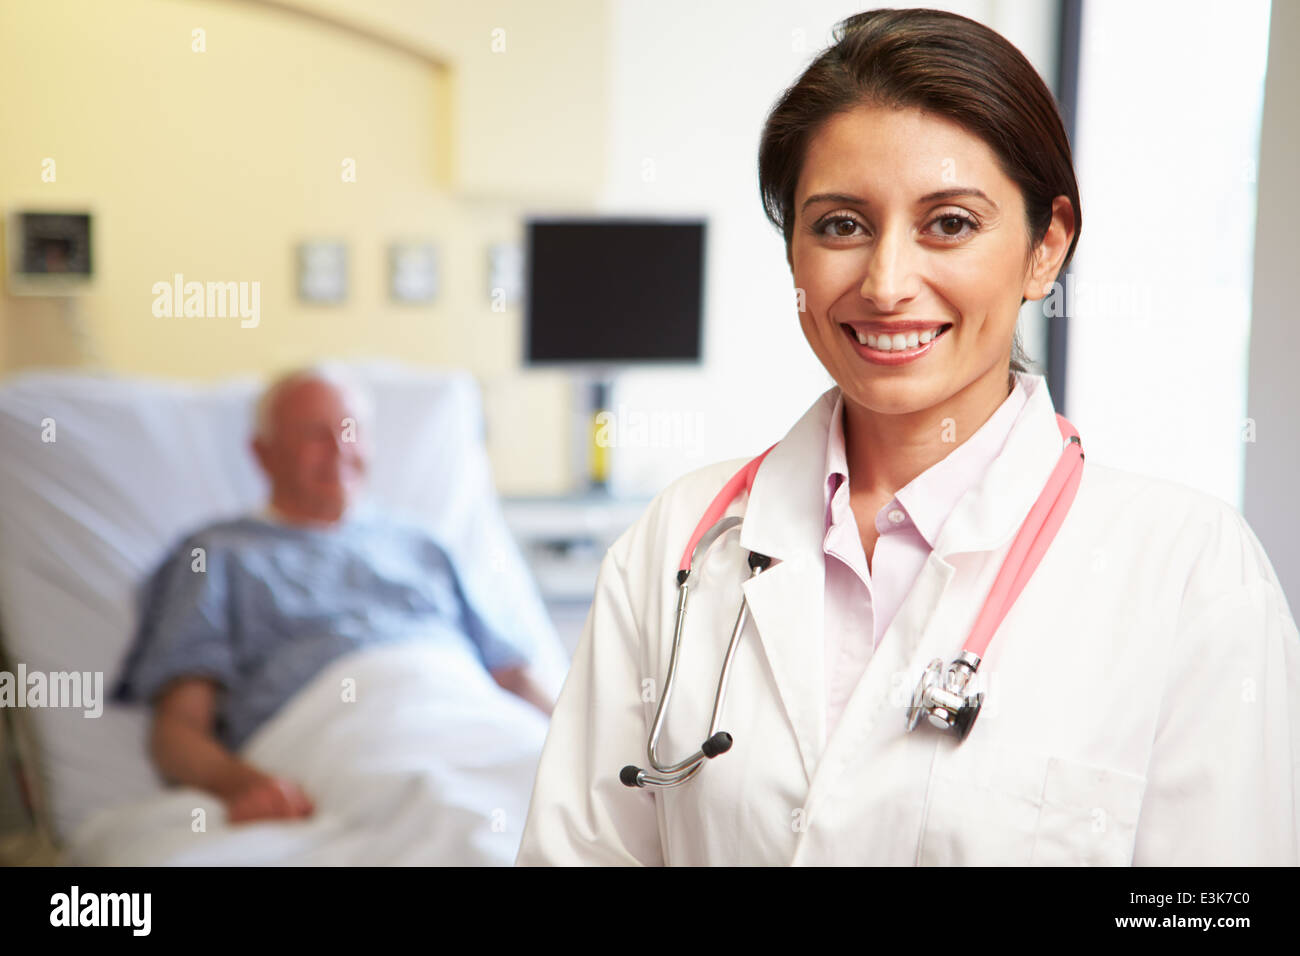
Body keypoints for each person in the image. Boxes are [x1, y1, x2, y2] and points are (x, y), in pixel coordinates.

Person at [516, 8, 1300, 866]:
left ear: (1047, 247)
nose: (886, 283)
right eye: (841, 224)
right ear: (793, 254)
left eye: (951, 223)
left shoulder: (1187, 571)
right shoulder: (677, 544)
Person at [113, 366, 554, 824]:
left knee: (567, 797)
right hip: (340, 730)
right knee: (451, 811)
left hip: (469, 709)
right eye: (314, 435)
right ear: (263, 454)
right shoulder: (217, 554)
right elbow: (178, 727)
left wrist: (586, 744)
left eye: (350, 431)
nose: (339, 450)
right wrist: (245, 784)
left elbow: (514, 678)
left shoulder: (421, 544)